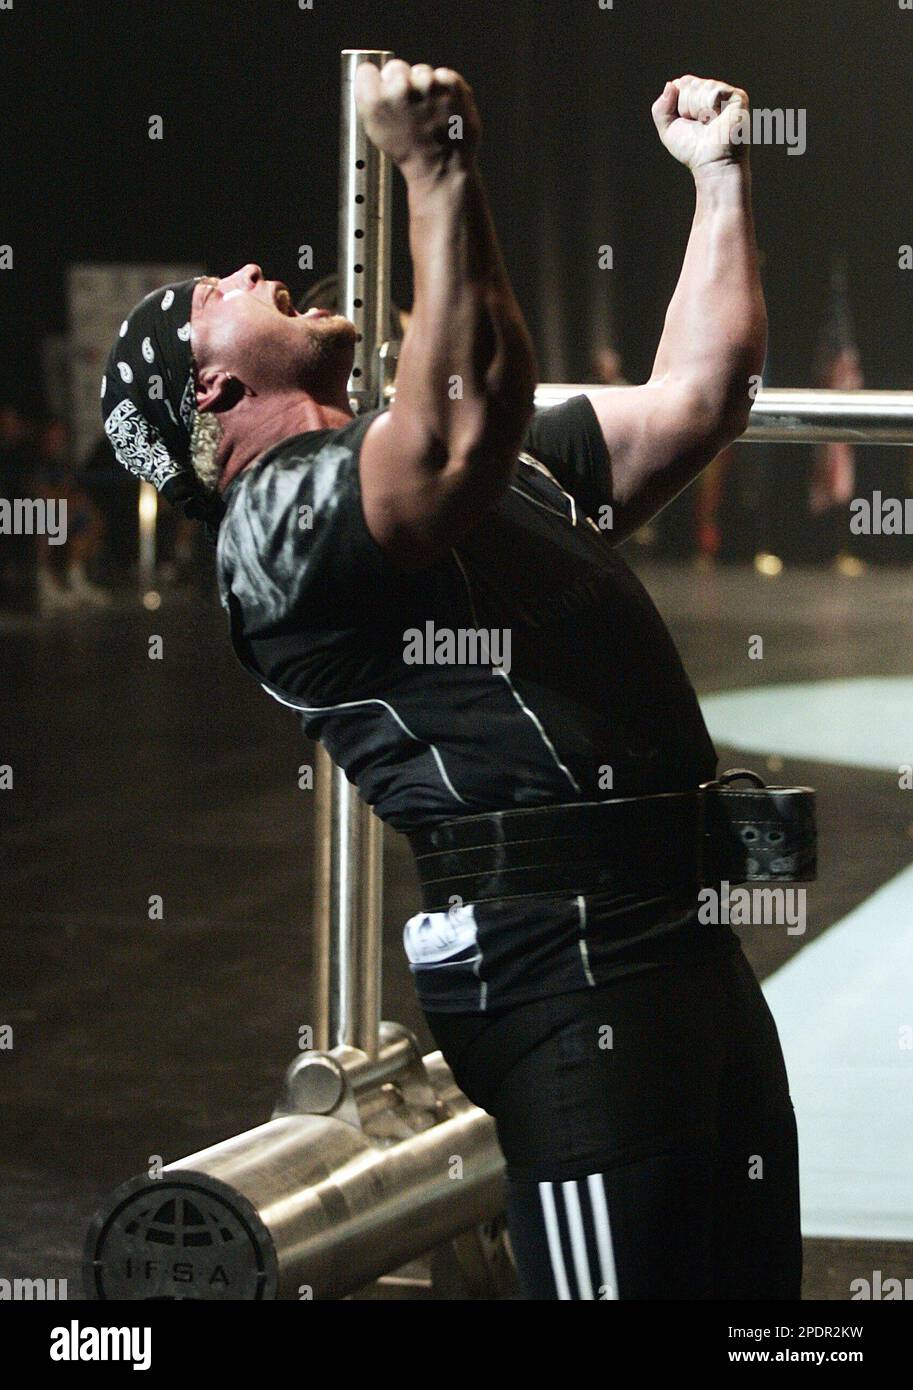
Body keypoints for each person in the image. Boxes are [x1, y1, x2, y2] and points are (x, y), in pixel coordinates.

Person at [101, 63, 797, 1300]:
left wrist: (719, 180)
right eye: (219, 294)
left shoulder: (486, 465)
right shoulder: (270, 531)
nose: (258, 272)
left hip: (686, 947)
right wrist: (435, 166)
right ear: (211, 390)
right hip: (567, 980)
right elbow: (451, 434)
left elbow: (702, 399)